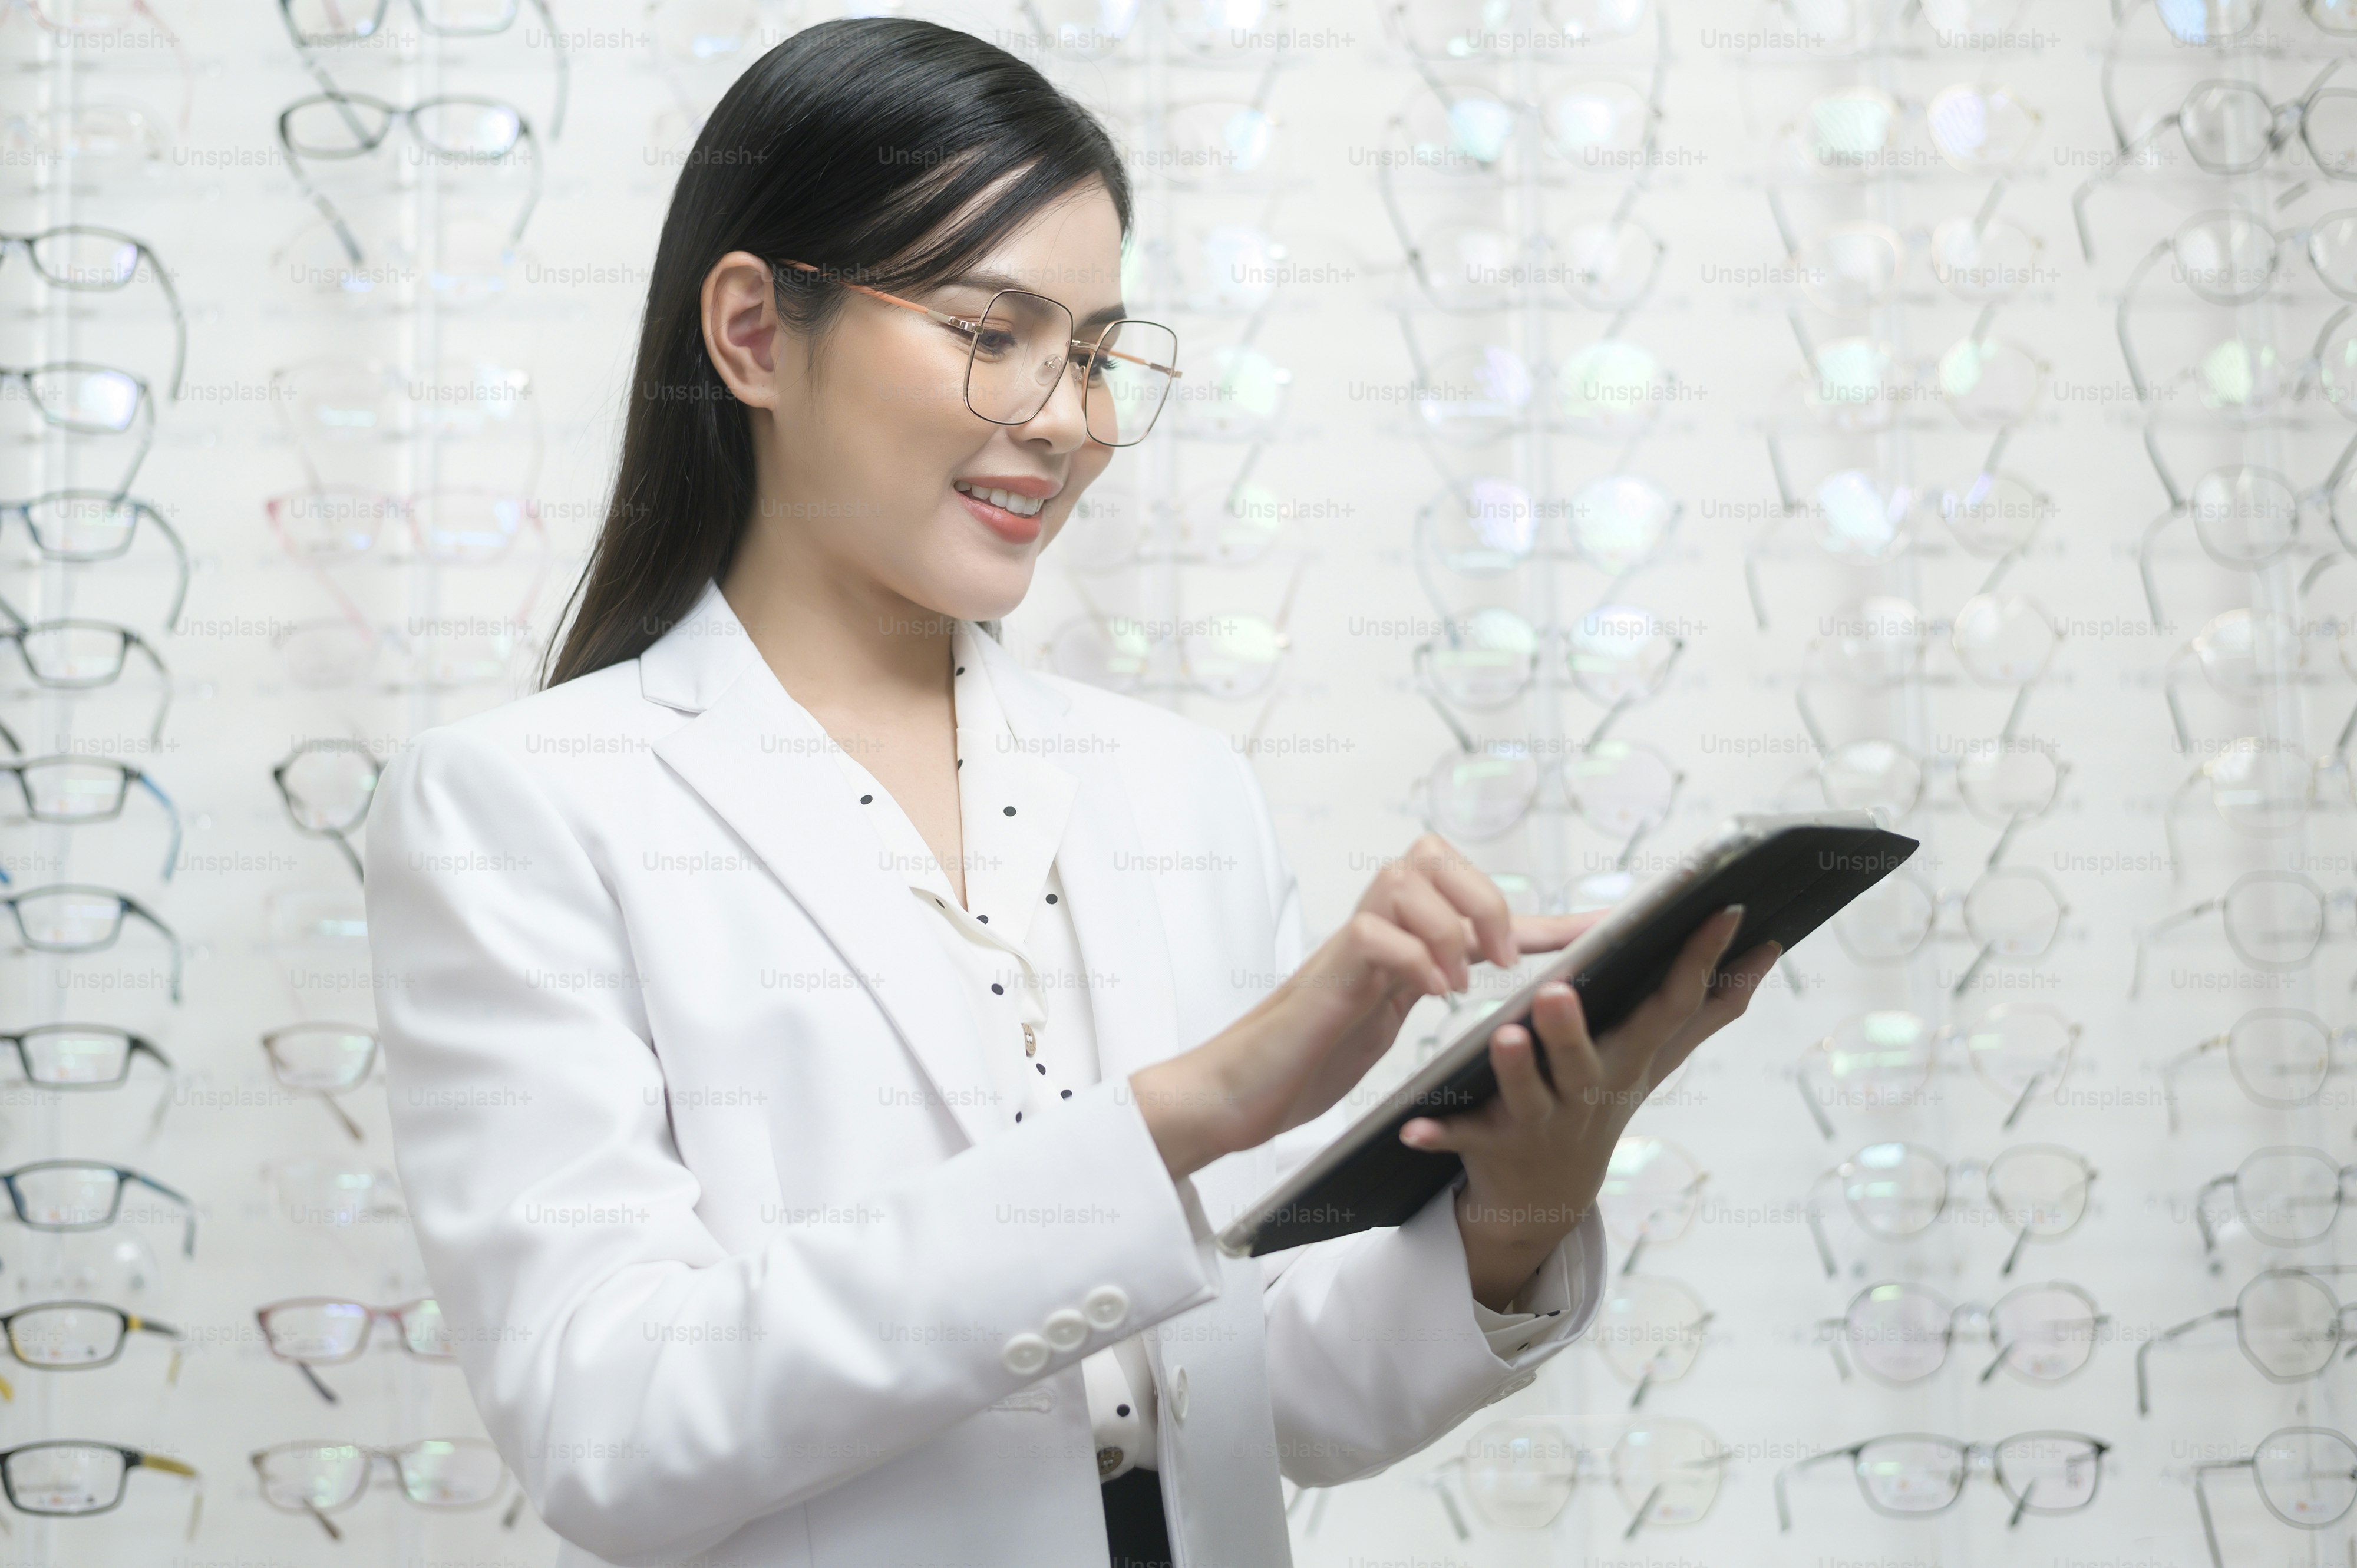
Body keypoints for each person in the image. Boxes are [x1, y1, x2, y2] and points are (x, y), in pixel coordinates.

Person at [361, 18, 1780, 1568]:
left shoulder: (1175, 793)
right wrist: (1184, 1114)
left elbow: (1271, 1390)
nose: (1066, 420)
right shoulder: (523, 809)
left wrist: (1523, 1203)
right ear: (757, 332)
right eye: (992, 333)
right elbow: (615, 1426)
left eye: (1096, 353)